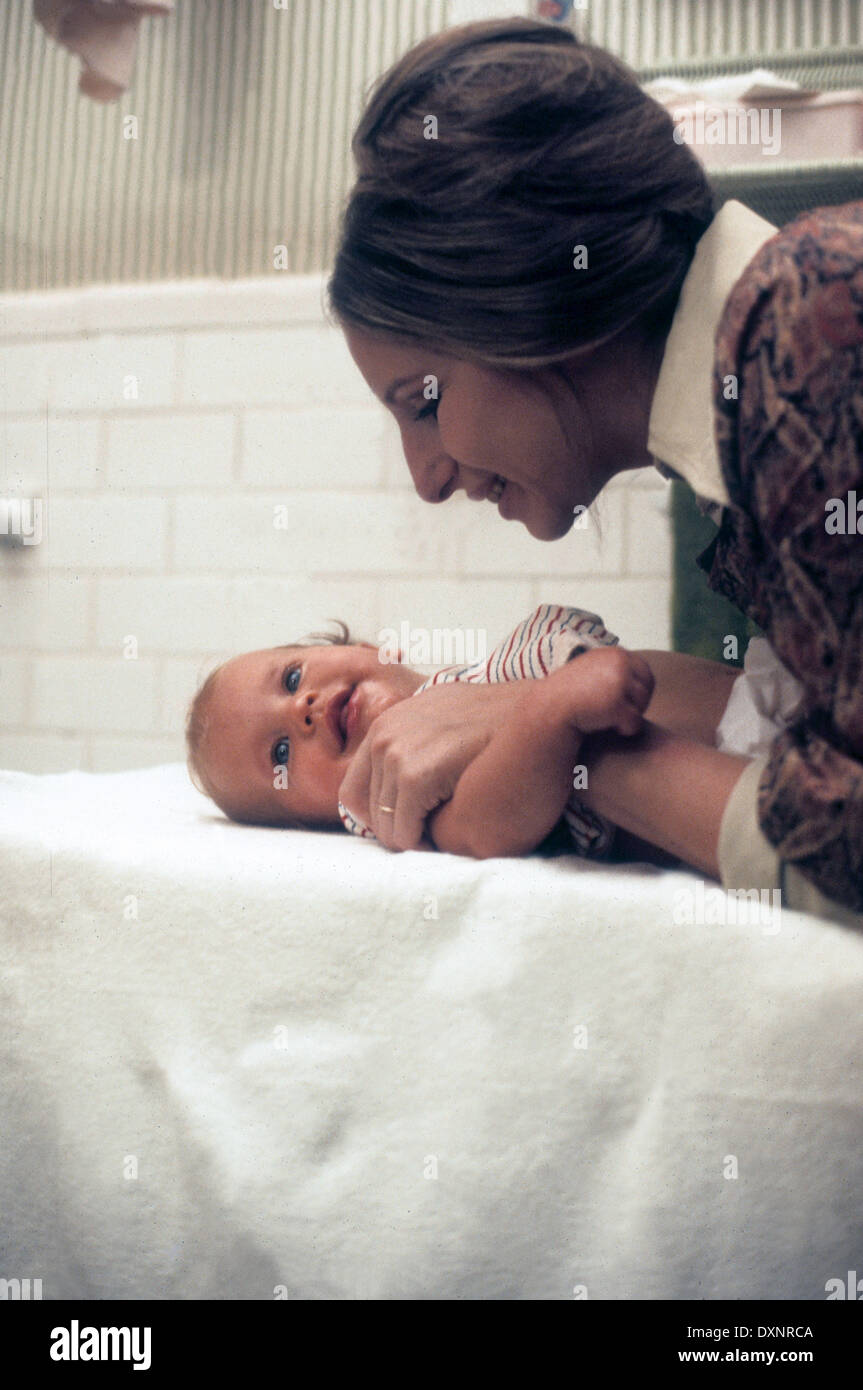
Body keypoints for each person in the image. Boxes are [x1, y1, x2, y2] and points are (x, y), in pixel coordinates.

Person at [325, 16, 863, 924]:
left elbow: (841, 844)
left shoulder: (807, 324)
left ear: (529, 298)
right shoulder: (747, 424)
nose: (425, 477)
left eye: (424, 402)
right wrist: (538, 707)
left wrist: (560, 745)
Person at [184, 602, 756, 862]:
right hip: (751, 778)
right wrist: (549, 711)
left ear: (364, 648)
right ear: (317, 820)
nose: (302, 710)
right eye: (280, 752)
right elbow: (482, 828)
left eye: (291, 677)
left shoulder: (475, 680)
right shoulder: (382, 795)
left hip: (775, 689)